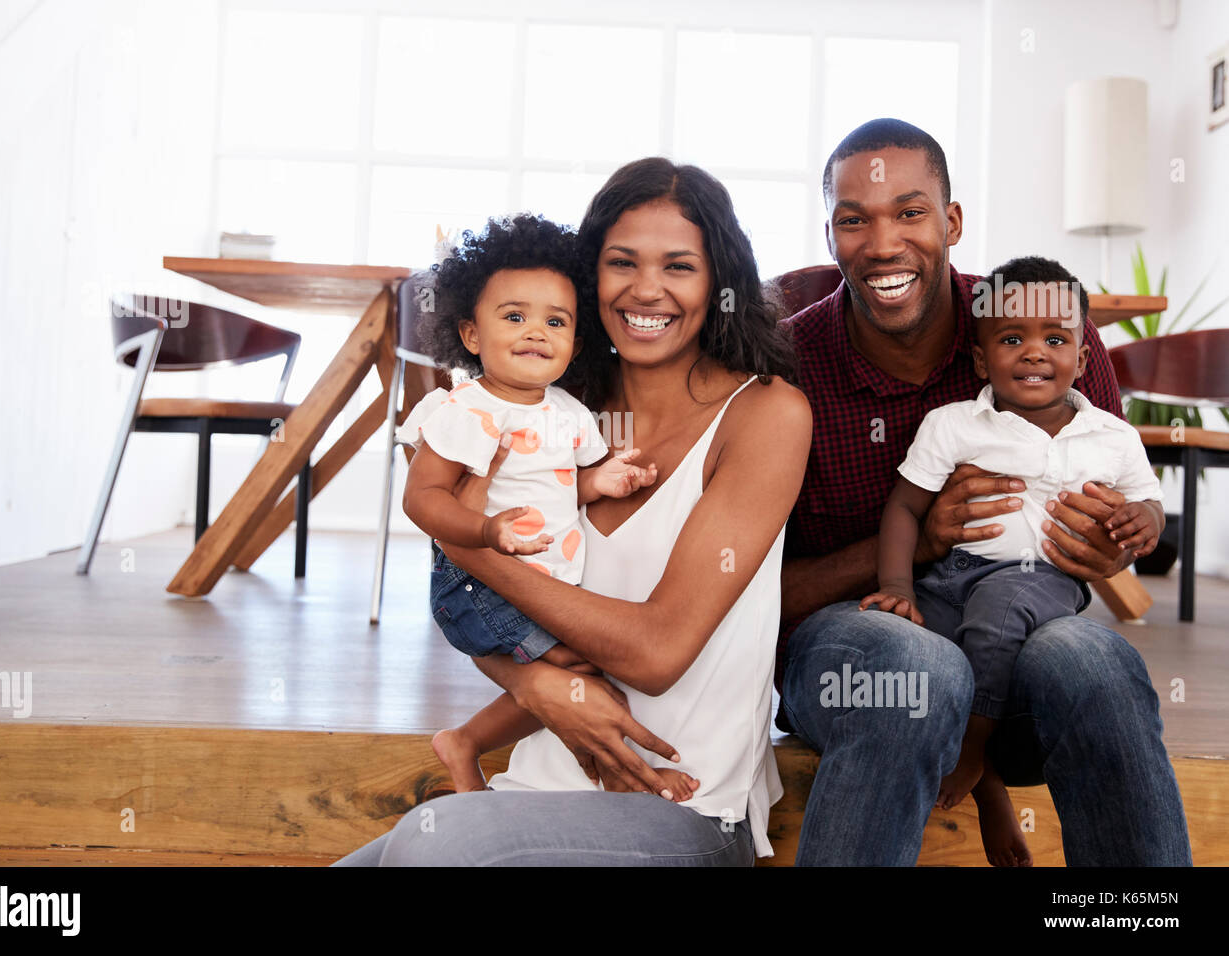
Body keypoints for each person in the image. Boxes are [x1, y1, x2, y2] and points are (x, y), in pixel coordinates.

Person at [334, 157, 810, 866]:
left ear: (720, 283)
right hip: (535, 786)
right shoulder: (551, 409)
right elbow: (473, 604)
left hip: (682, 807)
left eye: (679, 266)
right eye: (622, 262)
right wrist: (531, 681)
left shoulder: (765, 415)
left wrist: (472, 547)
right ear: (590, 277)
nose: (647, 289)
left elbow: (655, 653)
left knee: (430, 854)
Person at [778, 117, 1192, 866]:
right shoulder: (788, 363)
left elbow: (1097, 534)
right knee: (916, 671)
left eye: (910, 212)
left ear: (952, 221)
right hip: (842, 652)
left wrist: (1101, 542)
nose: (882, 244)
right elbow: (738, 592)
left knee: (1094, 661)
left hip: (1016, 648)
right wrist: (916, 542)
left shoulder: (1040, 328)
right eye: (853, 220)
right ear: (829, 234)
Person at [858, 255, 1165, 866]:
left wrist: (1143, 524)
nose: (1033, 353)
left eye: (1055, 339)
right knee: (922, 649)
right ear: (980, 360)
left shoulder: (1111, 436)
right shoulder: (953, 425)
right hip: (950, 579)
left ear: (1082, 359)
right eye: (1011, 338)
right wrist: (899, 587)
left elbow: (1148, 502)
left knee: (999, 611)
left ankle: (973, 754)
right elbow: (903, 509)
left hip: (1043, 580)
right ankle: (991, 787)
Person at [396, 213, 693, 801]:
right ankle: (622, 775)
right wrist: (484, 529)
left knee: (582, 673)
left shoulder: (566, 412)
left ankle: (463, 742)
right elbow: (420, 497)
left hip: (533, 582)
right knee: (586, 672)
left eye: (555, 321)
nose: (536, 332)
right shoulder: (467, 409)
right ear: (471, 334)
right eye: (514, 317)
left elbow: (556, 486)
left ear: (574, 344)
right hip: (478, 587)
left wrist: (602, 482)